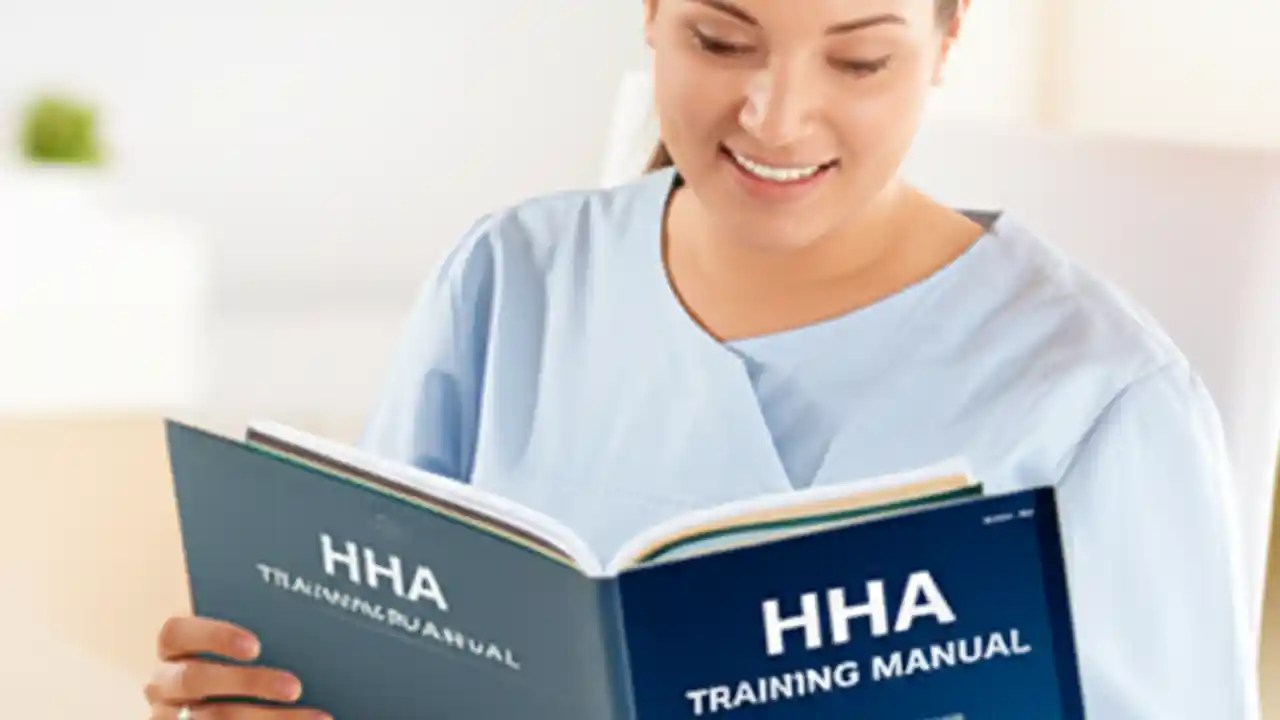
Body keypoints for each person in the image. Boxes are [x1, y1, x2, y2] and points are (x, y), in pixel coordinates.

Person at [144, 0, 1262, 718]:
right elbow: (389, 665)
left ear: (947, 34)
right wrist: (275, 693)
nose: (775, 118)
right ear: (649, 14)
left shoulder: (1098, 396)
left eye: (860, 60)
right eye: (719, 41)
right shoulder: (512, 277)